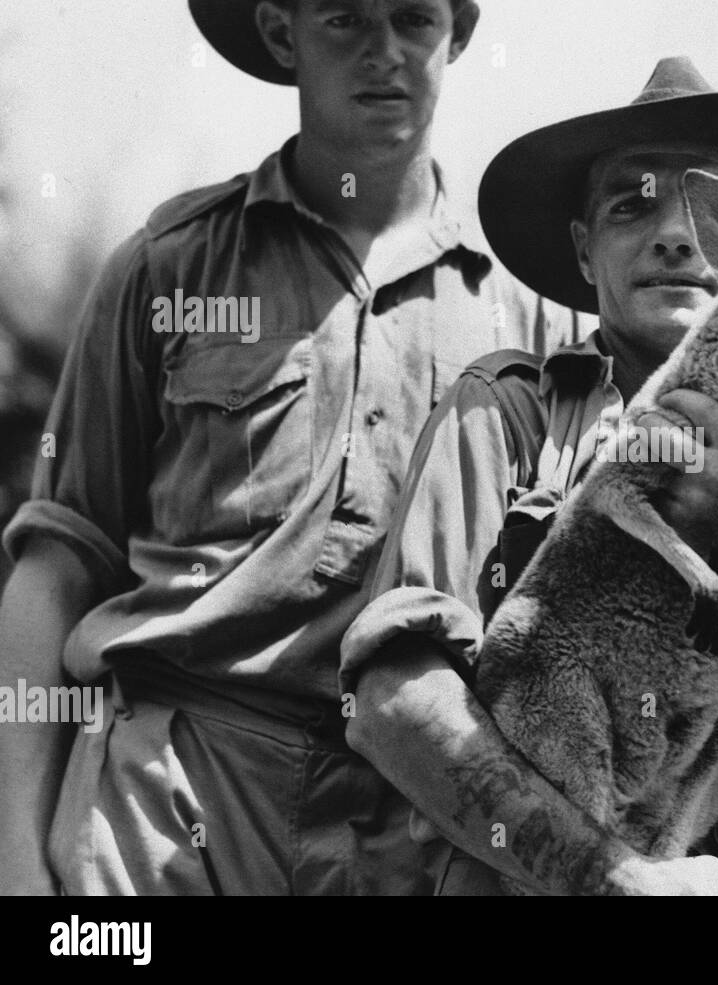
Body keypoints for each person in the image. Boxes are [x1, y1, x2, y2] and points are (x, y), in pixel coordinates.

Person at [0, 0, 580, 895]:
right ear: (283, 35)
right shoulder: (169, 269)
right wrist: (15, 865)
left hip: (413, 822)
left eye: (414, 19)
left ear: (457, 36)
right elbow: (57, 565)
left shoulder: (531, 311)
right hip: (169, 804)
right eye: (345, 18)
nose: (384, 53)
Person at [340, 56, 718, 895]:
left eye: (703, 213)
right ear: (584, 252)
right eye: (632, 203)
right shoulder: (504, 414)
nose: (672, 234)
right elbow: (392, 703)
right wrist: (615, 879)